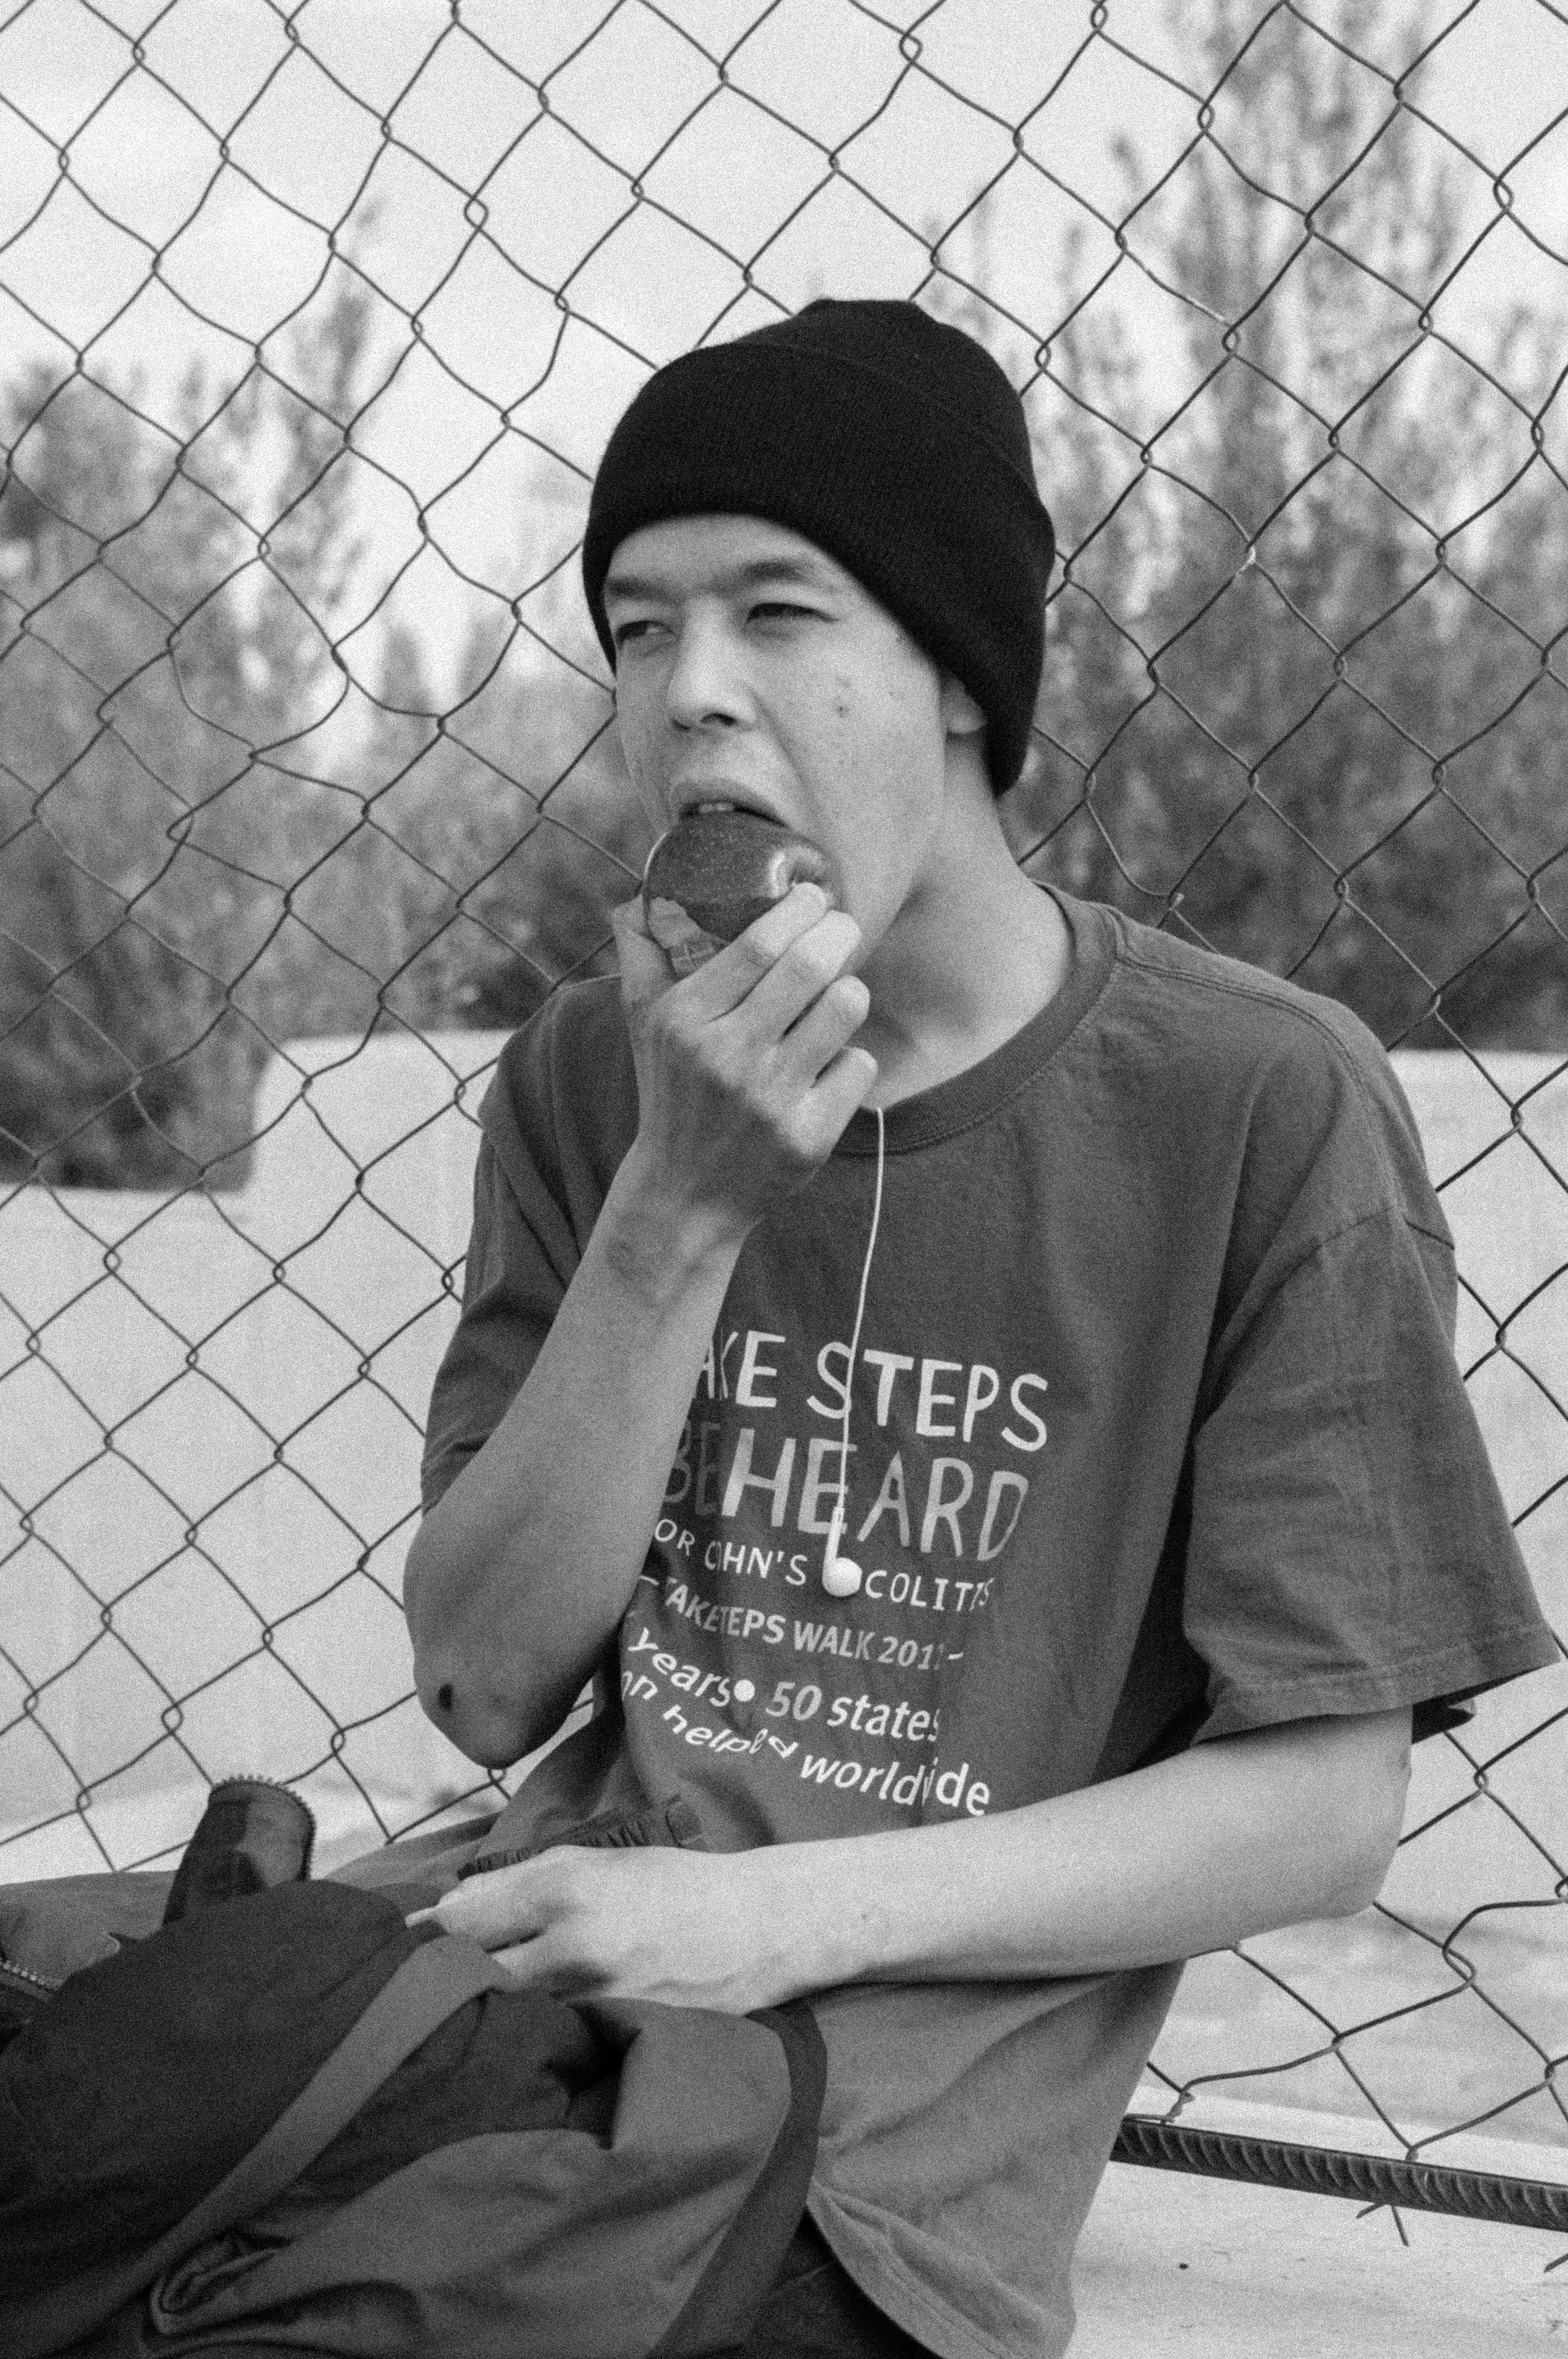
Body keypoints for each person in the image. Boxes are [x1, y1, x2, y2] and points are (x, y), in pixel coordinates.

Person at [401, 300, 1556, 2359]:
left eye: (779, 610)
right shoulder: (599, 1078)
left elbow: (1326, 1804)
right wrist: (679, 1207)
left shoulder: (1256, 1104)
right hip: (519, 2000)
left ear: (954, 667)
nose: (693, 695)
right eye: (640, 629)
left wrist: (762, 1921)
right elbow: (488, 1687)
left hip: (853, 2195)